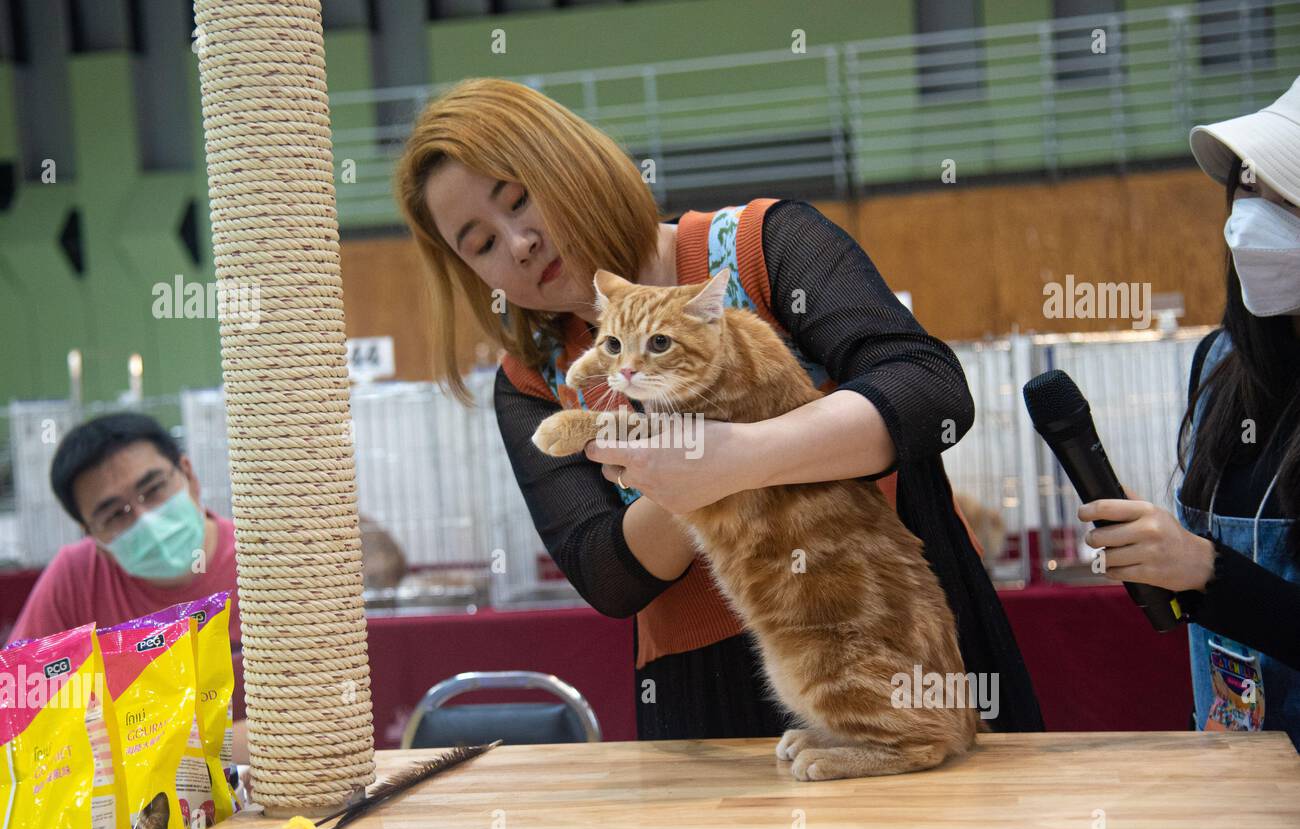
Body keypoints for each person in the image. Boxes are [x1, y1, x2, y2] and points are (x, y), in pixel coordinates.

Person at [395, 77, 1045, 738]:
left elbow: (928, 389)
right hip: (710, 696)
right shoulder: (536, 379)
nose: (519, 243)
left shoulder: (761, 248)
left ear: (573, 164)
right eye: (479, 244)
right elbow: (607, 575)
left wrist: (733, 458)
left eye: (519, 198)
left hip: (889, 640)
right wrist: (689, 471)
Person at [1078, 77, 1300, 747]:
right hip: (1229, 756)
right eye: (1245, 184)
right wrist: (1158, 559)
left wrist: (1204, 567)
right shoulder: (1221, 365)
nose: (1248, 214)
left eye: (1280, 189)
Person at [7, 412, 249, 762]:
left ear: (189, 475)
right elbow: (17, 715)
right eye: (115, 514)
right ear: (92, 535)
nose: (145, 518)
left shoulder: (260, 562)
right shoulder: (75, 578)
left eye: (153, 490)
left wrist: (156, 749)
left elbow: (314, 718)